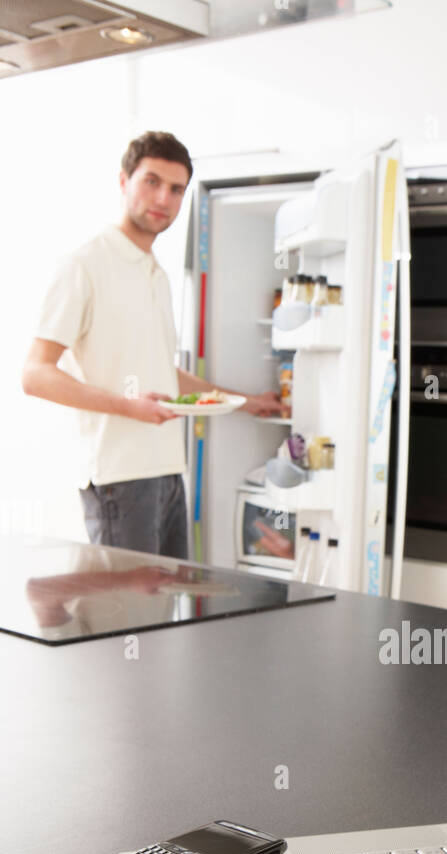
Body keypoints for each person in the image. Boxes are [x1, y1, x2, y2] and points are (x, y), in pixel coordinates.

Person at [21, 130, 281, 559]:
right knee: (127, 619)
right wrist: (129, 406)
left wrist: (247, 401)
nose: (164, 198)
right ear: (123, 181)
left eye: (177, 189)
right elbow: (35, 374)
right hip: (118, 477)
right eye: (152, 182)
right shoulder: (85, 264)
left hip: (167, 473)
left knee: (164, 614)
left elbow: (165, 373)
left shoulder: (155, 274)